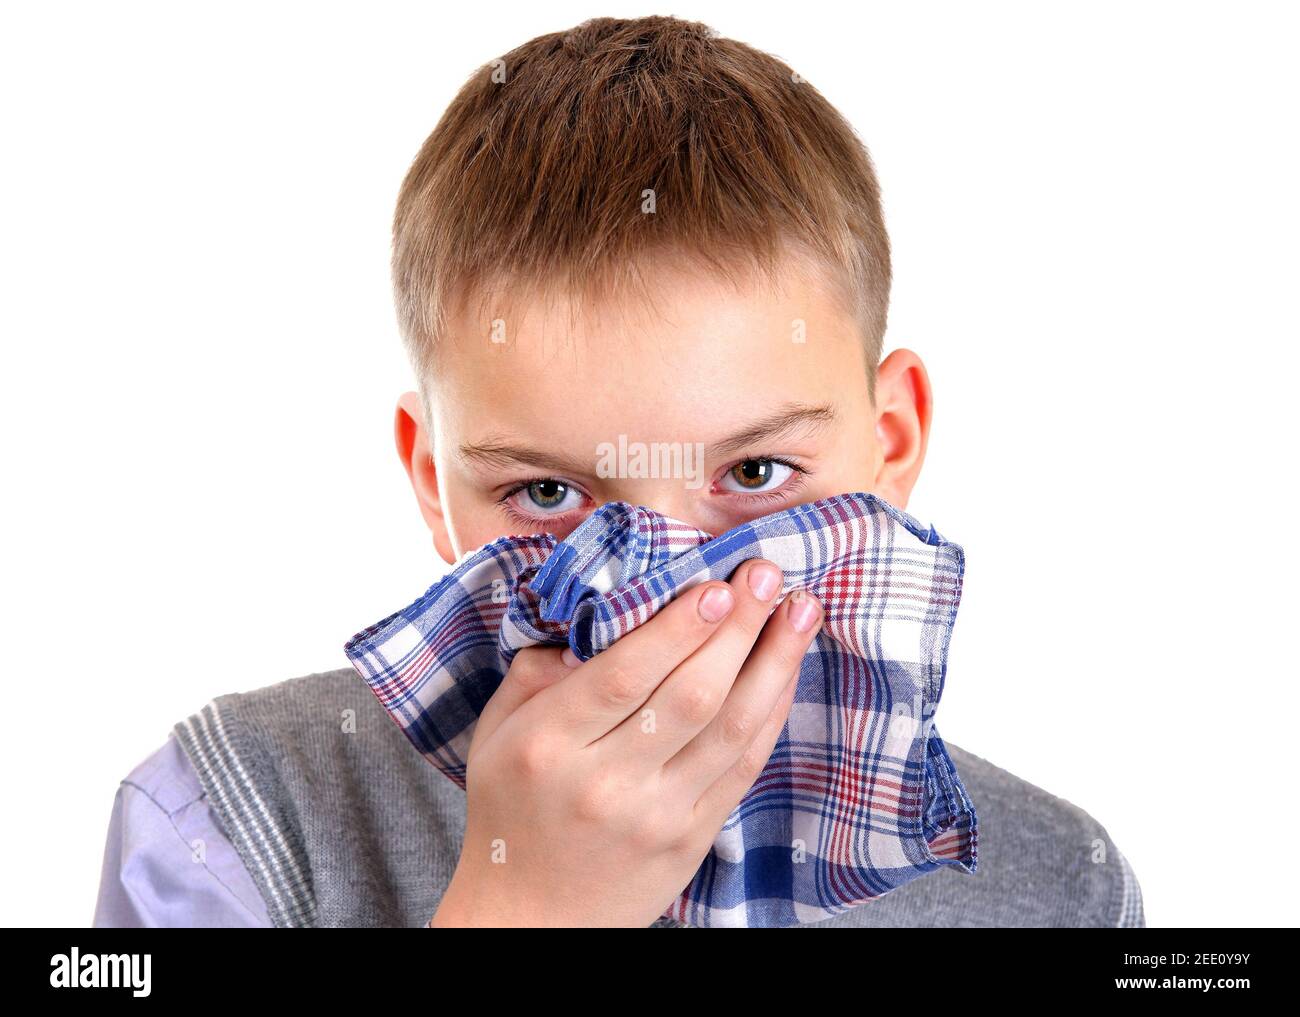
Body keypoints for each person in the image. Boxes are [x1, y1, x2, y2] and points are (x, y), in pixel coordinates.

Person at [93, 14, 1144, 928]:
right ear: (430, 482)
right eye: (547, 494)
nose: (656, 597)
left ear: (894, 441)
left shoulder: (1061, 888)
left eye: (759, 470)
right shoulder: (225, 821)